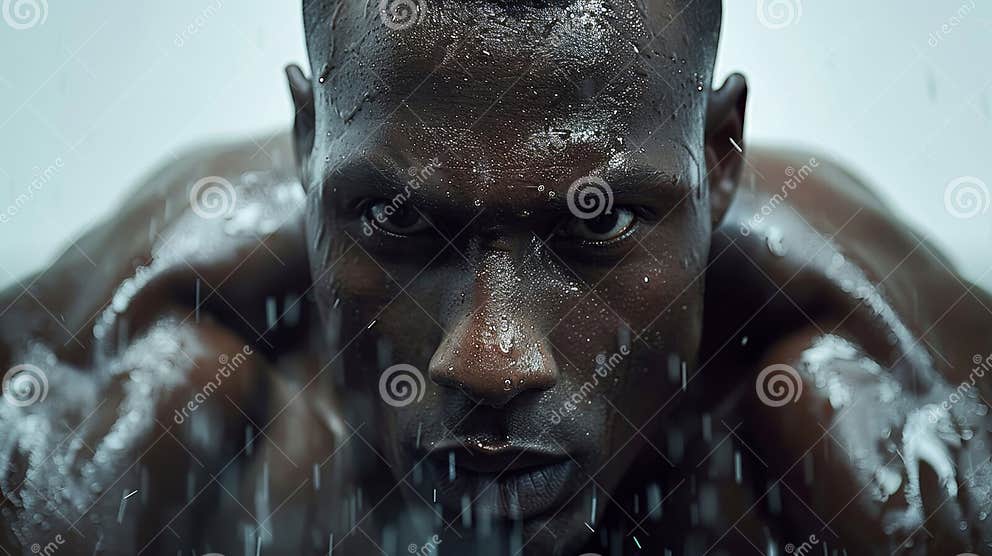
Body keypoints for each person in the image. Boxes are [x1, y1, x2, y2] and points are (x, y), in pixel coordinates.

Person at [2, 0, 990, 554]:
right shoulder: (146, 380)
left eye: (589, 230)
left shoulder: (863, 413)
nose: (488, 356)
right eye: (397, 223)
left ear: (718, 158)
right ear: (308, 144)